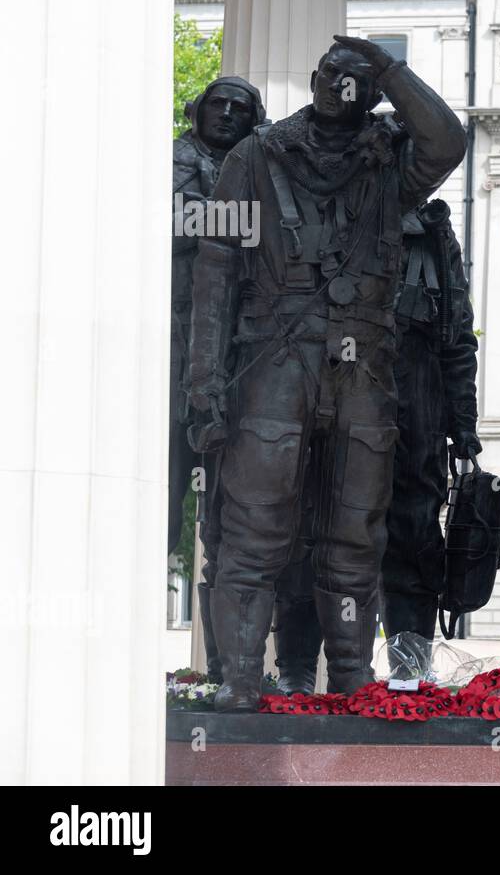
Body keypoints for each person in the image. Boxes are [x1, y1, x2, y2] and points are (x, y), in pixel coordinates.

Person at [188, 36, 466, 711]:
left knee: (354, 529)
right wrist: (202, 386)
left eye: (360, 80)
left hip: (361, 365)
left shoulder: (391, 161)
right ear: (314, 78)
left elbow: (448, 141)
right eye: (337, 75)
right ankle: (243, 678)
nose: (347, 87)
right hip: (272, 360)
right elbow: (215, 271)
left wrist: (392, 70)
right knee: (254, 529)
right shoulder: (254, 156)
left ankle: (349, 678)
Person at [171, 75, 265, 680]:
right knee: (160, 498)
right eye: (218, 103)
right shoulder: (176, 160)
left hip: (238, 357)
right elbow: (179, 219)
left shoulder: (260, 168)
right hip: (175, 345)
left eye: (240, 107)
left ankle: (227, 673)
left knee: (232, 527)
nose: (227, 113)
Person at [381, 198, 480, 640]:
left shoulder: (435, 234)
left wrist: (463, 422)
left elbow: (457, 337)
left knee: (416, 530)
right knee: (333, 534)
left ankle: (410, 670)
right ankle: (328, 674)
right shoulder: (340, 207)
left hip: (418, 403)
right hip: (342, 389)